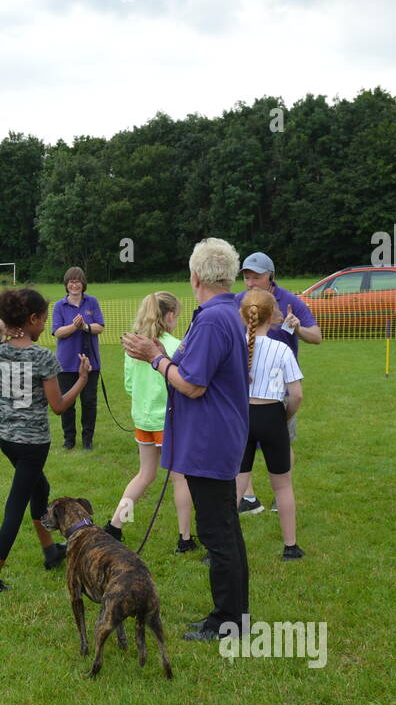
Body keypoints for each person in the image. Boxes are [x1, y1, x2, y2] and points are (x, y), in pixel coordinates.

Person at [122, 237, 250, 641]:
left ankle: (227, 621)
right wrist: (163, 352)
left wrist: (154, 358)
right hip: (218, 435)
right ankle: (233, 615)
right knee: (226, 529)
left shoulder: (212, 319)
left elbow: (192, 384)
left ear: (195, 277)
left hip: (209, 440)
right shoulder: (225, 312)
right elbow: (195, 369)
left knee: (217, 534)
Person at [0, 288, 90, 597]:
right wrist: (81, 379)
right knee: (15, 507)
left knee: (39, 490)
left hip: (6, 440)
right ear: (32, 318)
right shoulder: (42, 356)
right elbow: (58, 406)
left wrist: (10, 325)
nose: (45, 326)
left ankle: (51, 552)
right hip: (32, 446)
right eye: (42, 319)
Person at [102, 291, 196, 553]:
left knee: (145, 475)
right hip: (169, 421)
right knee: (180, 479)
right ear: (168, 316)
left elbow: (130, 387)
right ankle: (184, 538)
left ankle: (115, 526)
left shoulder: (133, 346)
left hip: (143, 419)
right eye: (176, 315)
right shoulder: (178, 345)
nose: (177, 320)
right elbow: (183, 384)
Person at [234, 251, 320, 515]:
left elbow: (316, 336)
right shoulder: (240, 300)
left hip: (280, 392)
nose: (250, 283)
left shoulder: (290, 301)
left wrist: (297, 327)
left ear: (270, 276)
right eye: (247, 277)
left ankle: (280, 496)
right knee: (241, 449)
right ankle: (247, 499)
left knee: (283, 444)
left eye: (256, 277)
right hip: (246, 390)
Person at [236, 289, 304, 560]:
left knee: (234, 486)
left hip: (241, 418)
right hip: (272, 415)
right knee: (283, 485)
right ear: (274, 315)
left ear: (242, 315)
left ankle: (222, 549)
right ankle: (290, 547)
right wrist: (283, 417)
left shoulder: (235, 346)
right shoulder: (282, 348)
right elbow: (296, 395)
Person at [51, 266, 105, 450]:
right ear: (66, 285)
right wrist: (74, 326)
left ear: (83, 283)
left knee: (89, 402)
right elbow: (58, 332)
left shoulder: (92, 302)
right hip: (66, 364)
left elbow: (100, 326)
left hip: (90, 363)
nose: (74, 285)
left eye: (78, 281)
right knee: (67, 403)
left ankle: (88, 440)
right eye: (71, 281)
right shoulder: (60, 306)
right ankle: (69, 440)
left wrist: (86, 327)